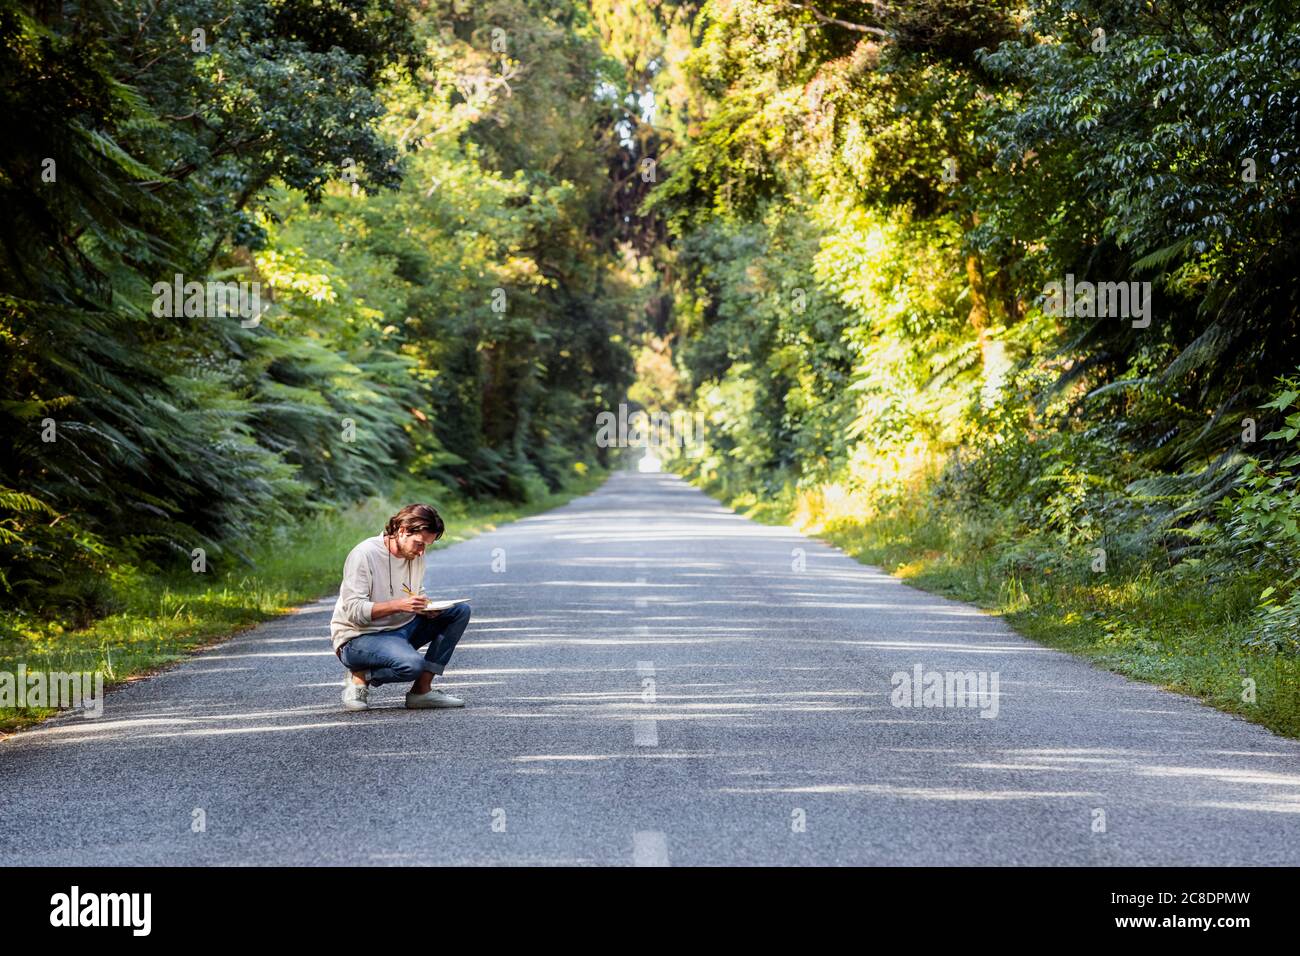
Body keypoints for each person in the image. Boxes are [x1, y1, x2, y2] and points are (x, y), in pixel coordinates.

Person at [330, 503, 471, 711]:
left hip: (400, 629)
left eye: (426, 546)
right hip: (359, 638)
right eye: (419, 544)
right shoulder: (364, 554)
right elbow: (354, 612)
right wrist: (399, 605)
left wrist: (425, 607)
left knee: (459, 612)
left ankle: (421, 692)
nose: (422, 551)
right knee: (412, 665)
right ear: (402, 531)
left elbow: (413, 591)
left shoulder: (415, 555)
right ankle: (360, 676)